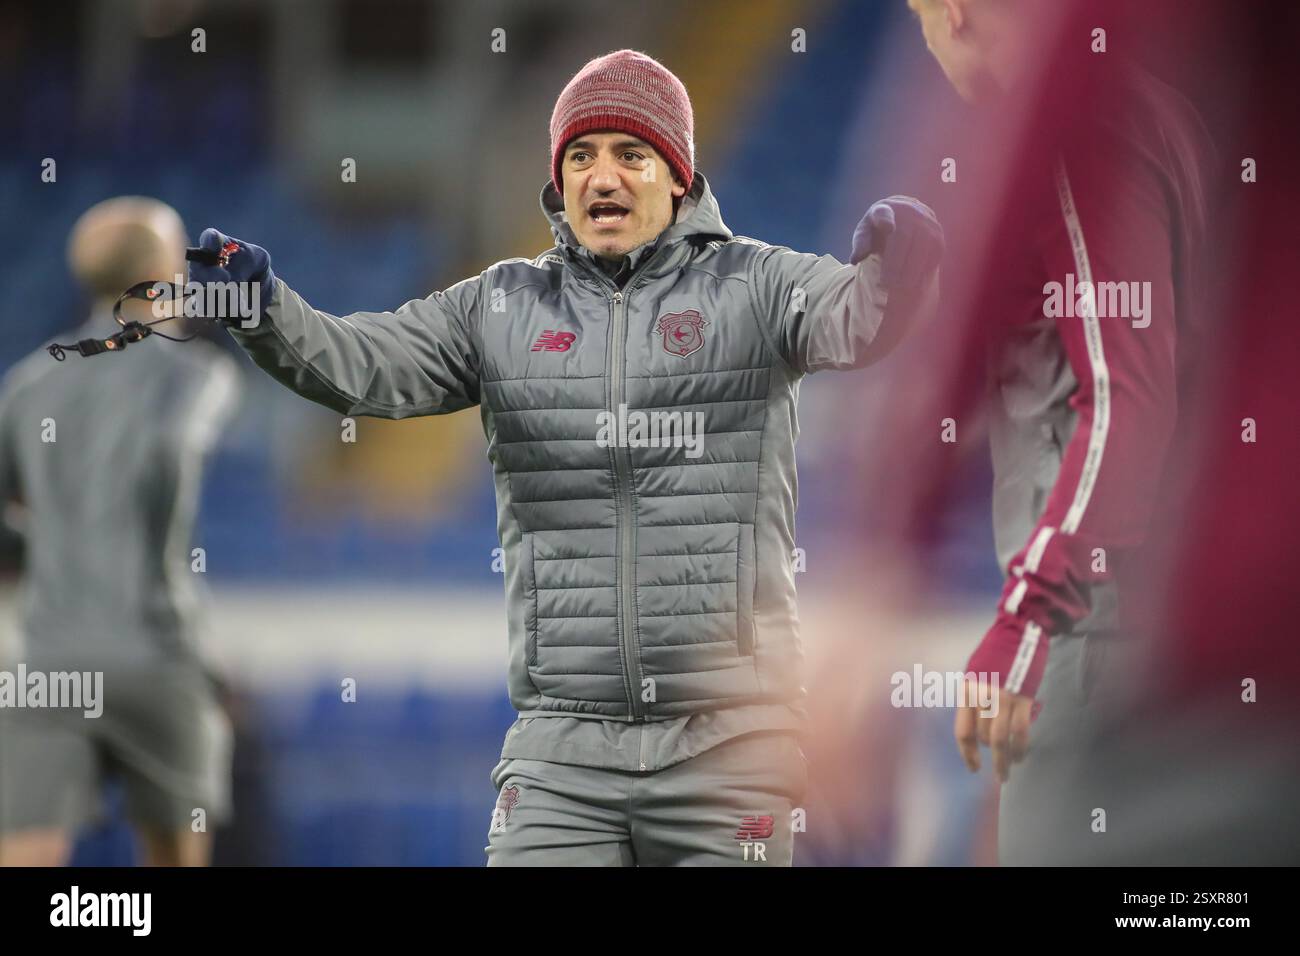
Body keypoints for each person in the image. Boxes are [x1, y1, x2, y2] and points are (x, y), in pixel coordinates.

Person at [192, 49, 943, 866]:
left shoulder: (757, 286)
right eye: (580, 156)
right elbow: (363, 362)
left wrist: (904, 259)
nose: (601, 176)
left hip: (733, 745)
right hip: (561, 754)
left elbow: (860, 316)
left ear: (679, 177)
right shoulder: (499, 305)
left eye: (629, 153)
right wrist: (266, 311)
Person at [906, 0, 1215, 862]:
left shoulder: (1070, 133)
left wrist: (1027, 625)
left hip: (1092, 625)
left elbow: (1123, 400)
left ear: (952, 12)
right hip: (1170, 611)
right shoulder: (1159, 109)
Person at [0, 197, 239, 866]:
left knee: (27, 850)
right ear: (169, 272)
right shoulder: (196, 377)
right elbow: (172, 457)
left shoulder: (24, 387)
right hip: (160, 652)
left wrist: (42, 547)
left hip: (48, 660)